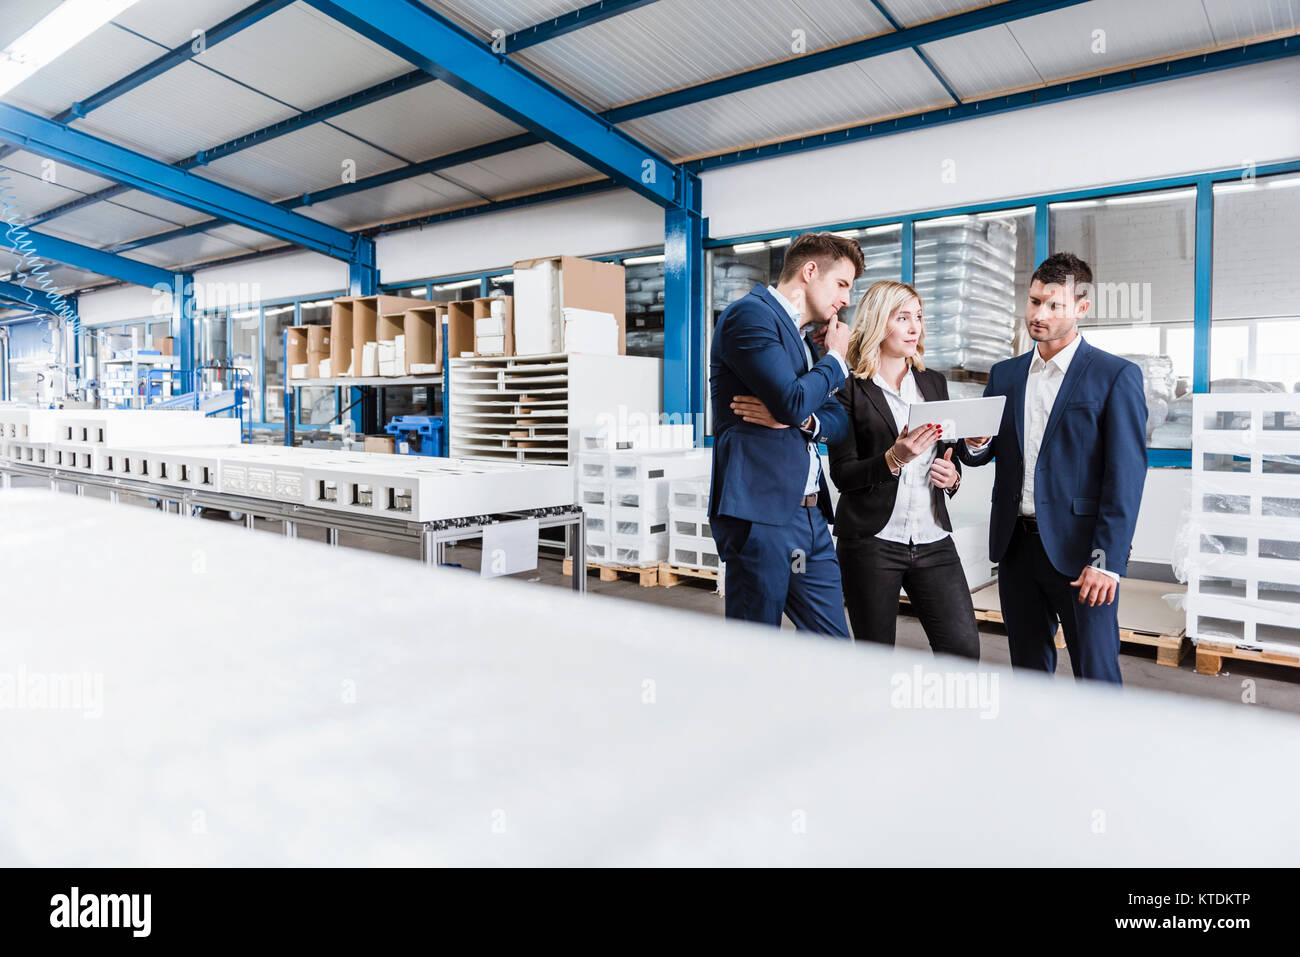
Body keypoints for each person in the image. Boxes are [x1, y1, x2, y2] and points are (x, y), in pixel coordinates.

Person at [960, 252, 1147, 684]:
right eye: (1033, 301)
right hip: (1015, 547)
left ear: (1081, 308)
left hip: (1082, 554)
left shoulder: (1115, 376)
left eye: (1053, 305)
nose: (1038, 314)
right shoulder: (1005, 375)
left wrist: (1106, 560)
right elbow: (984, 454)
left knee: (1095, 671)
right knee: (1027, 671)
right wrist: (977, 443)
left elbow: (1126, 477)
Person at [708, 232, 864, 636]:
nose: (845, 299)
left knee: (831, 644)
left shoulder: (802, 337)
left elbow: (834, 419)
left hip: (810, 519)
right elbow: (793, 401)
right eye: (842, 284)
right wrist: (835, 359)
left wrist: (804, 419)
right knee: (755, 650)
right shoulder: (750, 316)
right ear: (810, 271)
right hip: (763, 519)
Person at [827, 281, 981, 658]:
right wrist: (892, 459)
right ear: (880, 323)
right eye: (903, 318)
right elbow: (843, 474)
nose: (916, 328)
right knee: (875, 656)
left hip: (933, 540)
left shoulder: (933, 383)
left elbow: (948, 454)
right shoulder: (849, 388)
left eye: (919, 318)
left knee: (962, 650)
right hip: (871, 542)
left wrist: (954, 476)